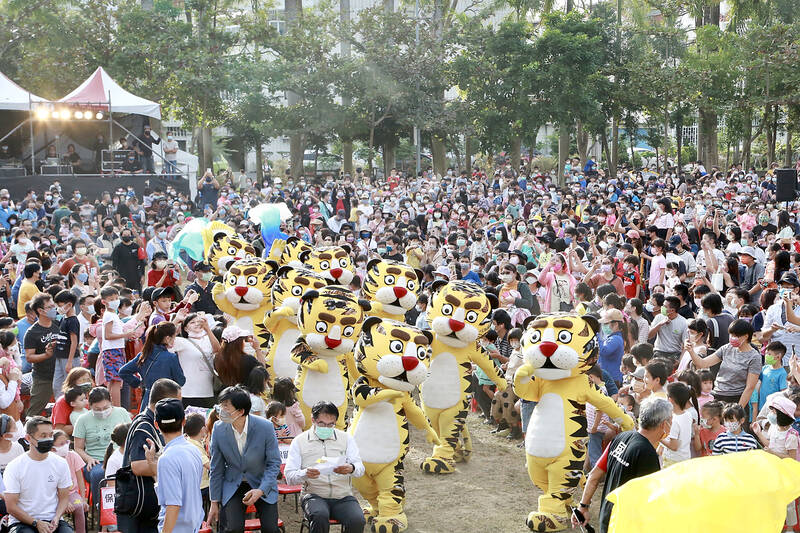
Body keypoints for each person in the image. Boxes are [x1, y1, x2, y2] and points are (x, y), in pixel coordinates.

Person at [574, 397, 670, 532]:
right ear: (663, 424)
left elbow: (594, 475)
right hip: (626, 524)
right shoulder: (647, 453)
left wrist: (583, 506)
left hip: (607, 518)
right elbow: (648, 501)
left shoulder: (621, 437)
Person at [206, 386, 282, 533]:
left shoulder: (265, 427)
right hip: (234, 483)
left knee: (271, 528)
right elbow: (216, 467)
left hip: (262, 482)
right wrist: (214, 502)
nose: (221, 410)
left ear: (241, 411)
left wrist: (261, 490)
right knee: (233, 528)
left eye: (226, 407)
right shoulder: (219, 428)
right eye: (221, 405)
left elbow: (274, 463)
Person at [284, 401, 366, 533]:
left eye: (331, 424)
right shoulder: (299, 441)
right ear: (313, 420)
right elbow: (289, 477)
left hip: (343, 496)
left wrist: (351, 468)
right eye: (322, 423)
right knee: (319, 515)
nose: (326, 428)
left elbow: (360, 468)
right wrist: (305, 473)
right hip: (314, 495)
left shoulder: (346, 439)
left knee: (357, 519)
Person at [116, 378, 183, 533]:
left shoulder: (150, 421)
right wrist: (171, 465)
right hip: (140, 505)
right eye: (178, 401)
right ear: (165, 401)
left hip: (147, 504)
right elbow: (138, 466)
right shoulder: (144, 425)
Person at [3, 416, 74, 533]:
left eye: (51, 435)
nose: (48, 439)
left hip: (52, 520)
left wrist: (56, 518)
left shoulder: (60, 463)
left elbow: (64, 498)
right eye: (43, 436)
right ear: (28, 438)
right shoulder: (14, 466)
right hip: (23, 522)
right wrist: (36, 523)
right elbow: (11, 507)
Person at [686, 318, 761, 417]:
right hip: (717, 395)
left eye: (736, 336)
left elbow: (750, 387)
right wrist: (691, 351)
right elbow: (702, 363)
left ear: (746, 336)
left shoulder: (754, 357)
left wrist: (737, 409)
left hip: (736, 398)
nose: (732, 338)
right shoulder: (727, 348)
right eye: (731, 334)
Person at [73, 387, 131, 508]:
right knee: (99, 474)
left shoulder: (122, 413)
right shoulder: (83, 420)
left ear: (111, 402)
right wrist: (88, 459)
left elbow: (131, 437)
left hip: (121, 456)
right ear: (89, 406)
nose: (102, 411)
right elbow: (78, 448)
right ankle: (103, 510)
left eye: (105, 408)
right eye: (97, 409)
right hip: (96, 461)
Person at [152, 398, 204, 533]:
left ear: (156, 425)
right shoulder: (193, 449)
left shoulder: (167, 458)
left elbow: (173, 505)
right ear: (184, 421)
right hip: (192, 525)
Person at [121, 321, 186, 412]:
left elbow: (123, 372)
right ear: (167, 338)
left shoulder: (143, 355)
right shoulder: (171, 357)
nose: (174, 340)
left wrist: (138, 383)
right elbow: (181, 381)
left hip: (148, 400)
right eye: (174, 337)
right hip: (167, 400)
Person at [172, 312, 221, 408]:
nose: (196, 324)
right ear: (185, 328)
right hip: (190, 392)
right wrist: (176, 320)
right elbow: (163, 338)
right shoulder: (181, 341)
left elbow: (217, 350)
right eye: (192, 322)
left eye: (199, 321)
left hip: (209, 390)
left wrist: (207, 329)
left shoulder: (208, 339)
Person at [24, 293, 60, 418]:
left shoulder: (58, 325)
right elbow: (29, 357)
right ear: (40, 310)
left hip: (61, 375)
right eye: (50, 307)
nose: (54, 309)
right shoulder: (32, 332)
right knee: (34, 414)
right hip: (43, 377)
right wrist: (46, 355)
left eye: (53, 306)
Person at [52, 291, 80, 398]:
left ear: (69, 305)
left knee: (71, 386)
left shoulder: (73, 320)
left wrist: (69, 361)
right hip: (60, 355)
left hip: (69, 357)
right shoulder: (64, 318)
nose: (58, 308)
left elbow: (74, 341)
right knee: (57, 386)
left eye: (60, 305)